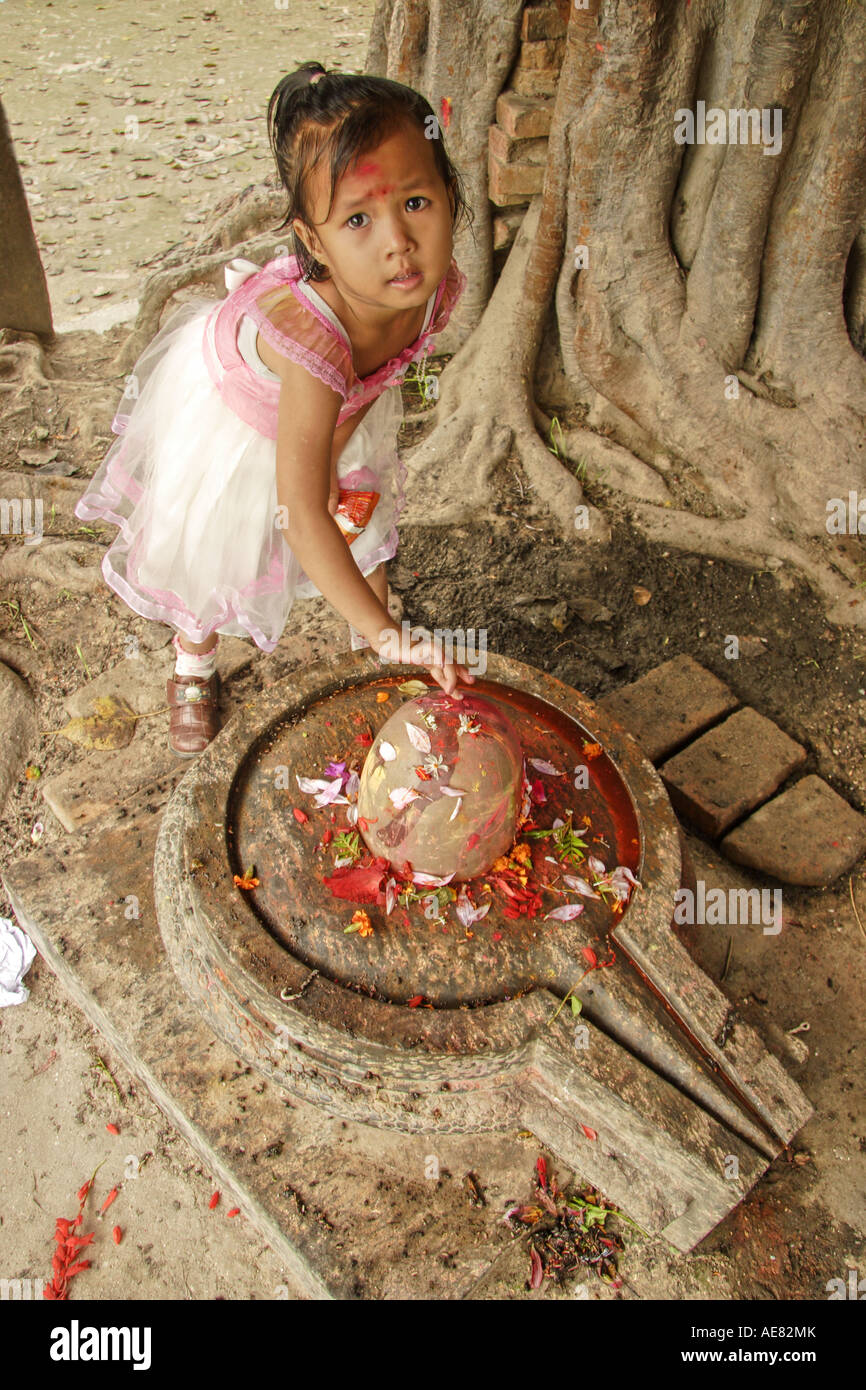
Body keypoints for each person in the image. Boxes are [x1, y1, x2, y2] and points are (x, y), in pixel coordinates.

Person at [74, 62, 477, 756]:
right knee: (211, 556)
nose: (397, 242)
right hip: (238, 423)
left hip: (331, 413)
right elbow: (300, 511)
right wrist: (313, 474)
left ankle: (376, 655)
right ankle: (194, 662)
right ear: (313, 241)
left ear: (451, 195)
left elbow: (373, 382)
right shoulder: (315, 339)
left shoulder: (431, 292)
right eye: (358, 218)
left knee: (364, 524)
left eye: (416, 202)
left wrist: (333, 454)